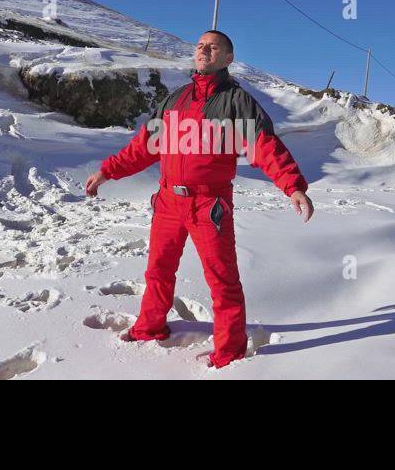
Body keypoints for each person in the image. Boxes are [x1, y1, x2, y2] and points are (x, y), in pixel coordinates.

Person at [85, 30, 313, 368]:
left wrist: (293, 186)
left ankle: (231, 348)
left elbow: (265, 146)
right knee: (158, 270)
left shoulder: (237, 101)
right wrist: (108, 171)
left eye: (213, 46)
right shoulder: (176, 99)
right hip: (167, 201)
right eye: (200, 46)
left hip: (210, 205)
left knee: (222, 279)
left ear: (228, 58)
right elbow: (145, 146)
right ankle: (150, 327)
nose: (204, 50)